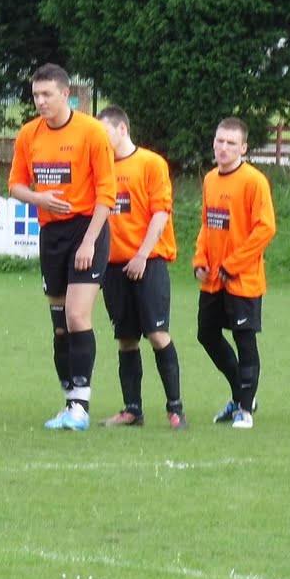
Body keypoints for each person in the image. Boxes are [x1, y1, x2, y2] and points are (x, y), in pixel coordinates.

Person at [8, 64, 115, 430]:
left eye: (47, 95)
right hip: (51, 234)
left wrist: (89, 241)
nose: (40, 102)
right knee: (59, 326)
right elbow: (15, 186)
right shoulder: (28, 135)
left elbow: (107, 194)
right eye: (36, 95)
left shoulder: (91, 132)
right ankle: (69, 401)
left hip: (87, 229)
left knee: (76, 317)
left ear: (65, 95)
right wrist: (41, 198)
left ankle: (80, 408)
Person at [96, 106, 187, 430]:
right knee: (125, 339)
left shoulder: (150, 163)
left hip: (148, 263)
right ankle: (132, 409)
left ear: (122, 129)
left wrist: (142, 255)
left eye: (104, 131)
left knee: (158, 334)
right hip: (112, 266)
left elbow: (160, 213)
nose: (100, 139)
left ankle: (175, 409)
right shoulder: (101, 167)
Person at [192, 117, 276, 430]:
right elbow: (207, 223)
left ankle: (244, 409)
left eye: (231, 143)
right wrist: (200, 259)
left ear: (243, 147)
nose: (224, 147)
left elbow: (265, 229)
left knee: (245, 340)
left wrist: (233, 264)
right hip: (213, 278)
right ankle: (242, 395)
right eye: (220, 141)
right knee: (206, 334)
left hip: (242, 279)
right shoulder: (211, 178)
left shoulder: (254, 181)